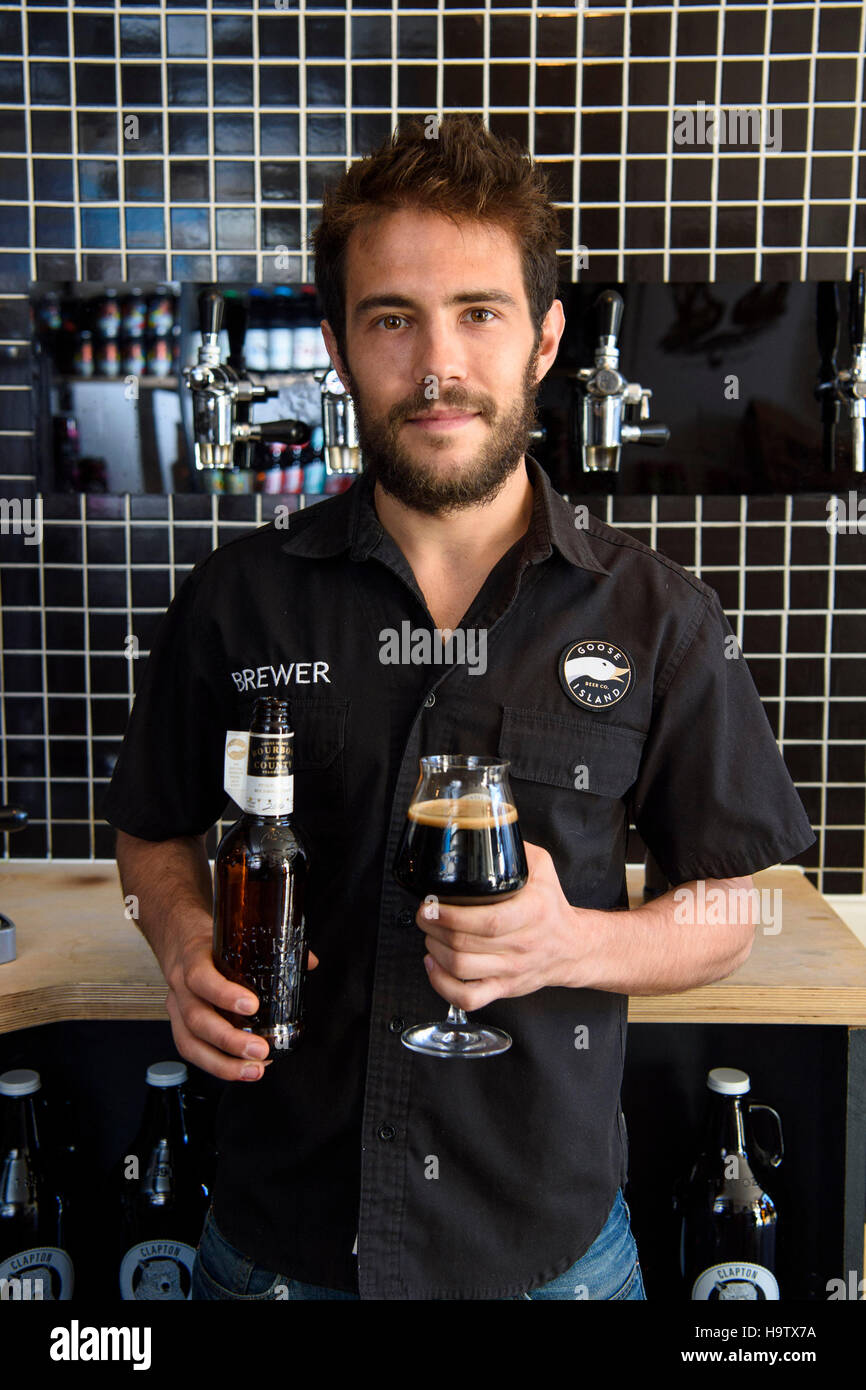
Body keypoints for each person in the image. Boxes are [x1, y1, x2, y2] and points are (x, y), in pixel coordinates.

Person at [103, 114, 815, 1301]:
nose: (436, 366)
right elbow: (149, 829)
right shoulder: (236, 600)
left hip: (551, 1265)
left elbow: (738, 903)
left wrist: (575, 941)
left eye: (477, 313)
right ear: (336, 346)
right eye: (392, 318)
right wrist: (176, 936)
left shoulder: (657, 616)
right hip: (276, 1252)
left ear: (542, 341)